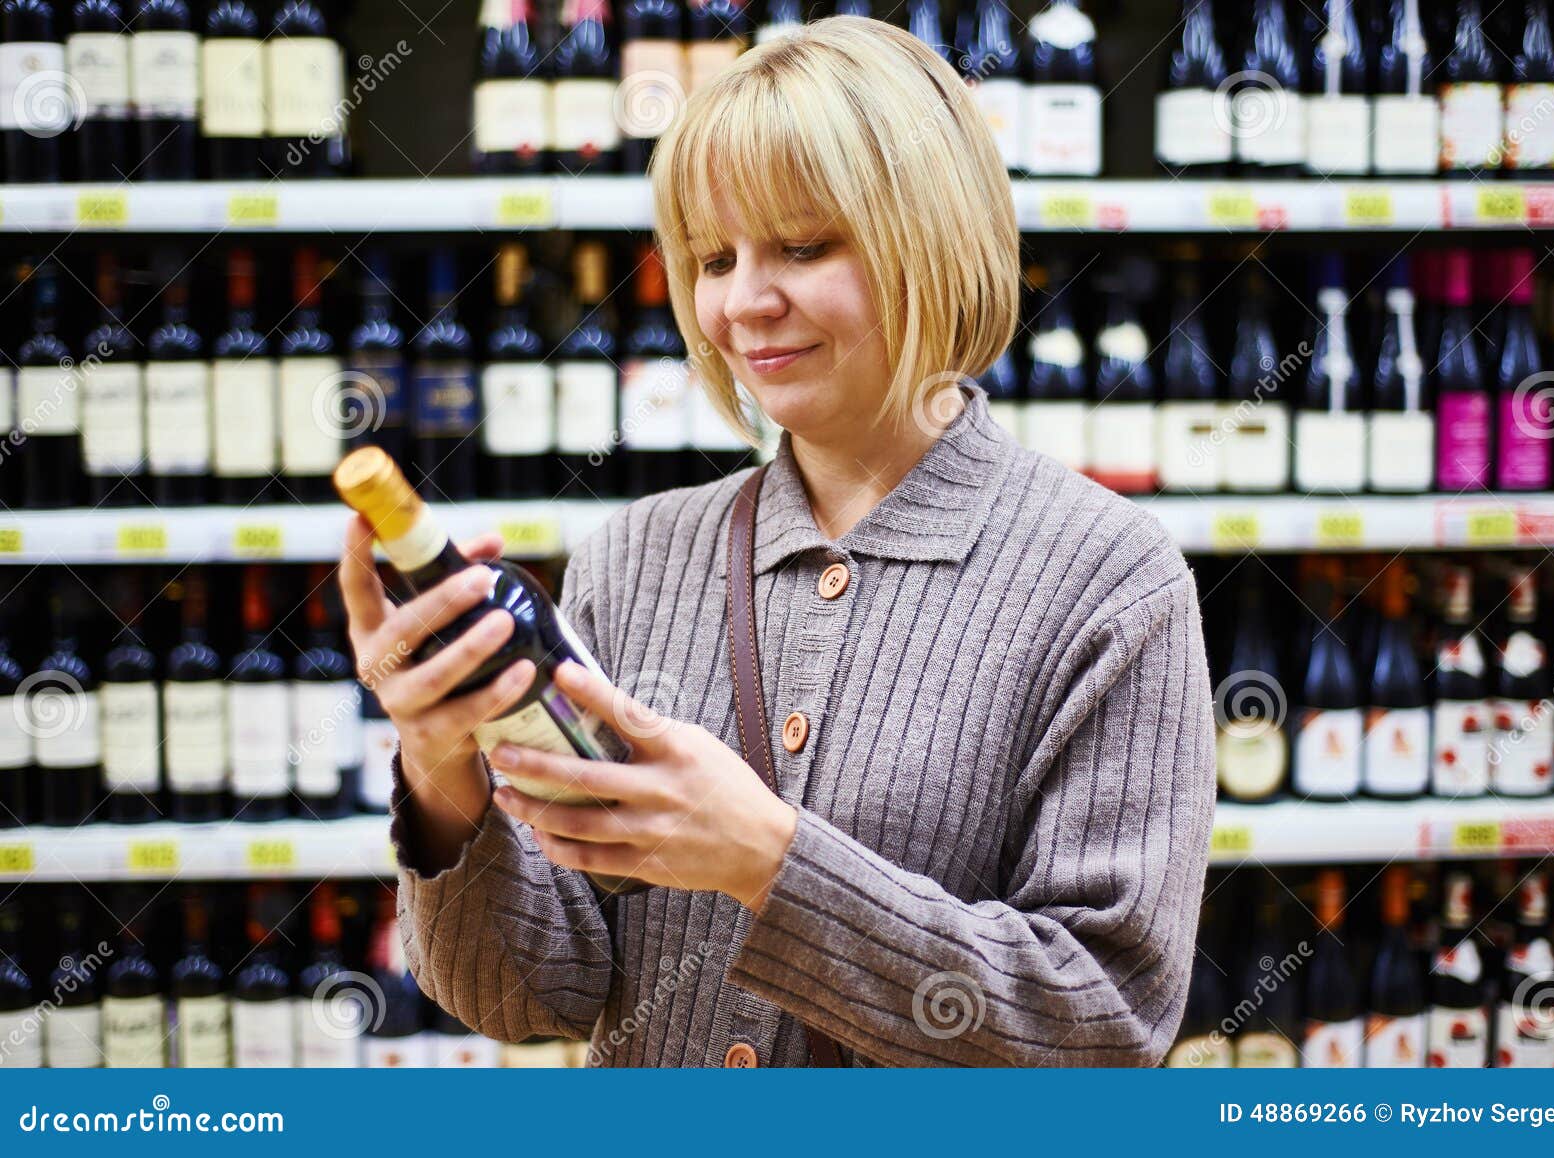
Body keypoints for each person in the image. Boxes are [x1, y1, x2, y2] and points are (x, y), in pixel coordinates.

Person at [337, 16, 1215, 1067]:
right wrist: (442, 765)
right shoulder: (635, 557)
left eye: (803, 247)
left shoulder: (1108, 580)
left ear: (935, 238)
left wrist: (768, 861)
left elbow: (1102, 1030)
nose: (745, 304)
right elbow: (534, 995)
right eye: (713, 259)